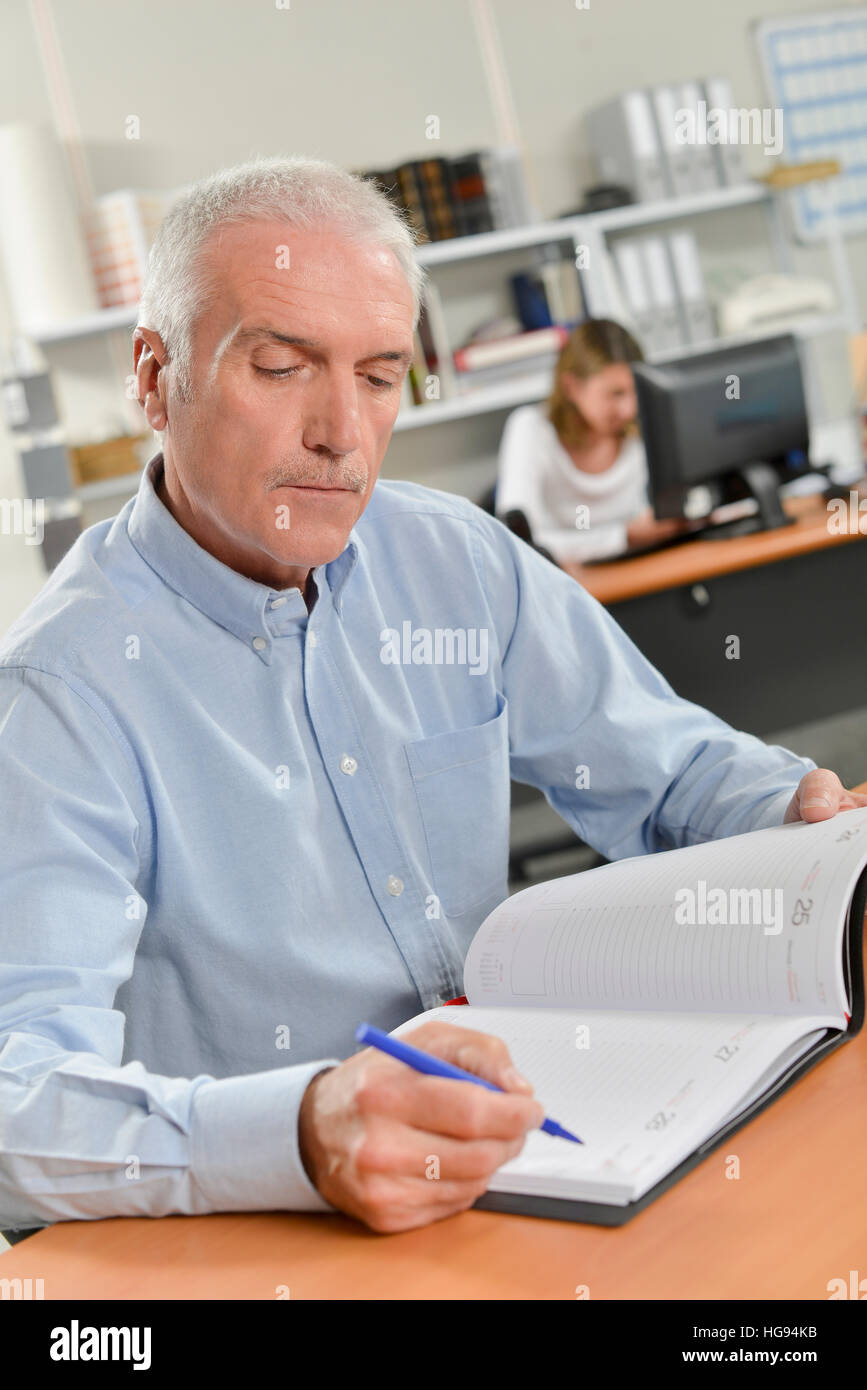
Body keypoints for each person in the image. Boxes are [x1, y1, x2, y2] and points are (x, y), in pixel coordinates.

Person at [0, 156, 863, 1243]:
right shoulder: (60, 693)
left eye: (377, 376)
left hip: (533, 1162)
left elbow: (674, 772)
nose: (341, 433)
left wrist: (809, 822)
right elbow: (16, 1105)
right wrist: (306, 1128)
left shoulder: (453, 559)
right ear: (152, 374)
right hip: (281, 1234)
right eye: (281, 366)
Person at [495, 318, 696, 564]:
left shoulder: (641, 433)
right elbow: (517, 543)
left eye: (635, 390)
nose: (629, 409)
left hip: (642, 573)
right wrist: (624, 537)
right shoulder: (531, 429)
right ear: (572, 387)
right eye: (615, 394)